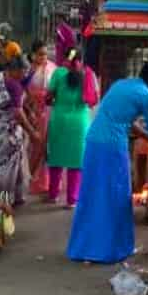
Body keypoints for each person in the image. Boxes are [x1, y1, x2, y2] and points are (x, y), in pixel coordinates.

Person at [66, 61, 148, 264]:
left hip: (94, 142)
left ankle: (83, 248)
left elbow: (126, 122)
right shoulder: (147, 96)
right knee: (115, 197)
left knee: (92, 195)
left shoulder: (121, 85)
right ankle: (110, 249)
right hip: (112, 147)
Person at [45, 47, 99, 208]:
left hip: (59, 119)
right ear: (81, 60)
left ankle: (53, 194)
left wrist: (54, 100)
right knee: (76, 163)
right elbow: (93, 99)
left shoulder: (58, 73)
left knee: (56, 158)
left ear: (65, 58)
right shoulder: (89, 74)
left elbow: (48, 96)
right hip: (79, 122)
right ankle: (71, 199)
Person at [0, 55, 34, 205]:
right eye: (23, 71)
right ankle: (0, 202)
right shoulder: (14, 85)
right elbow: (18, 114)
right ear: (14, 70)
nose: (25, 75)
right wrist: (32, 132)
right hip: (6, 131)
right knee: (6, 169)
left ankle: (17, 196)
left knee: (13, 162)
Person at [25, 41, 58, 196]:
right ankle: (33, 178)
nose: (43, 57)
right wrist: (29, 109)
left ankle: (46, 181)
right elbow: (23, 93)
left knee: (48, 145)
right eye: (40, 54)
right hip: (32, 111)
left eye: (45, 54)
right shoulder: (27, 70)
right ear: (32, 55)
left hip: (49, 110)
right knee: (35, 145)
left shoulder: (52, 69)